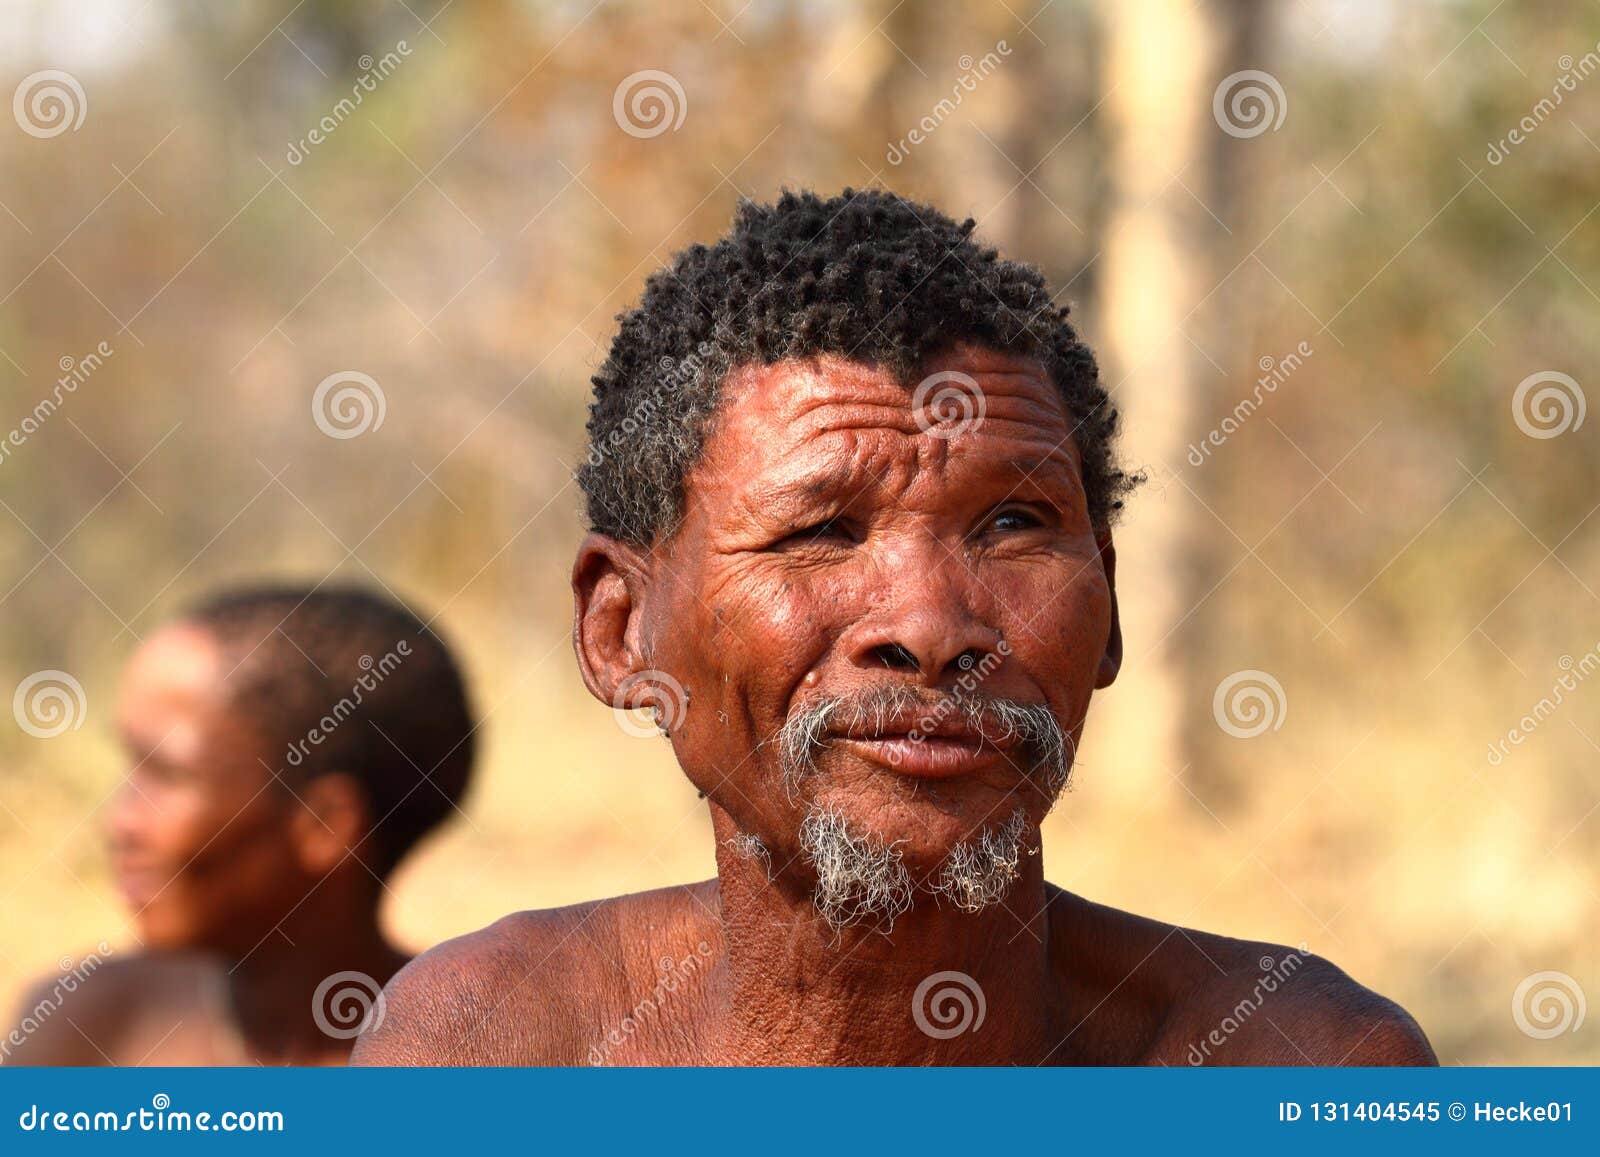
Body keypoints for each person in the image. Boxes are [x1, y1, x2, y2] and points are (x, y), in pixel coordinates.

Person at [353, 189, 1435, 1066]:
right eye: (820, 530)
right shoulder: (493, 1049)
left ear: (1107, 611)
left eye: (1015, 524)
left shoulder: (1292, 1072)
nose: (930, 625)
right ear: (621, 630)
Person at [4, 585, 476, 1066]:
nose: (120, 824)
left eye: (167, 775)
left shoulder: (475, 1058)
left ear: (324, 824)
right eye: (132, 766)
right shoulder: (84, 1028)